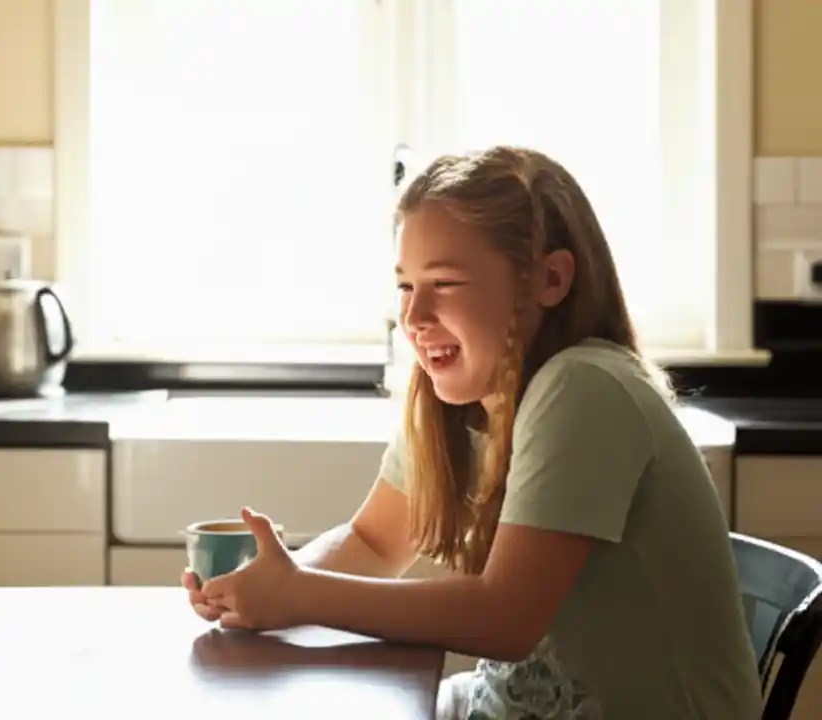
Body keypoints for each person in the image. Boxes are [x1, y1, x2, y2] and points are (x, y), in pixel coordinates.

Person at [183, 146, 761, 718]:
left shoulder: (584, 387)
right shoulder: (465, 404)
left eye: (446, 284)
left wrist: (299, 594)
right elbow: (374, 543)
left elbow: (504, 617)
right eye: (406, 287)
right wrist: (267, 582)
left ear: (550, 279)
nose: (413, 318)